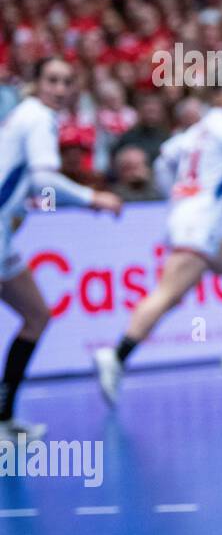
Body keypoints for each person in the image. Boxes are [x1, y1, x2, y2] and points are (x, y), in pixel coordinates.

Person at [92, 80, 222, 405]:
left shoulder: (197, 130)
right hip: (200, 224)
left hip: (192, 220)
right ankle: (115, 356)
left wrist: (177, 193)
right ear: (217, 96)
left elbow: (163, 159)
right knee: (167, 295)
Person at [0, 58, 122, 440]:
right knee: (36, 315)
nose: (58, 88)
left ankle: (3, 419)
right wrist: (92, 198)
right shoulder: (37, 118)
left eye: (66, 82)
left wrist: (20, 210)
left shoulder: (26, 115)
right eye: (51, 80)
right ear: (37, 83)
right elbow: (42, 180)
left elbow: (24, 185)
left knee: (36, 315)